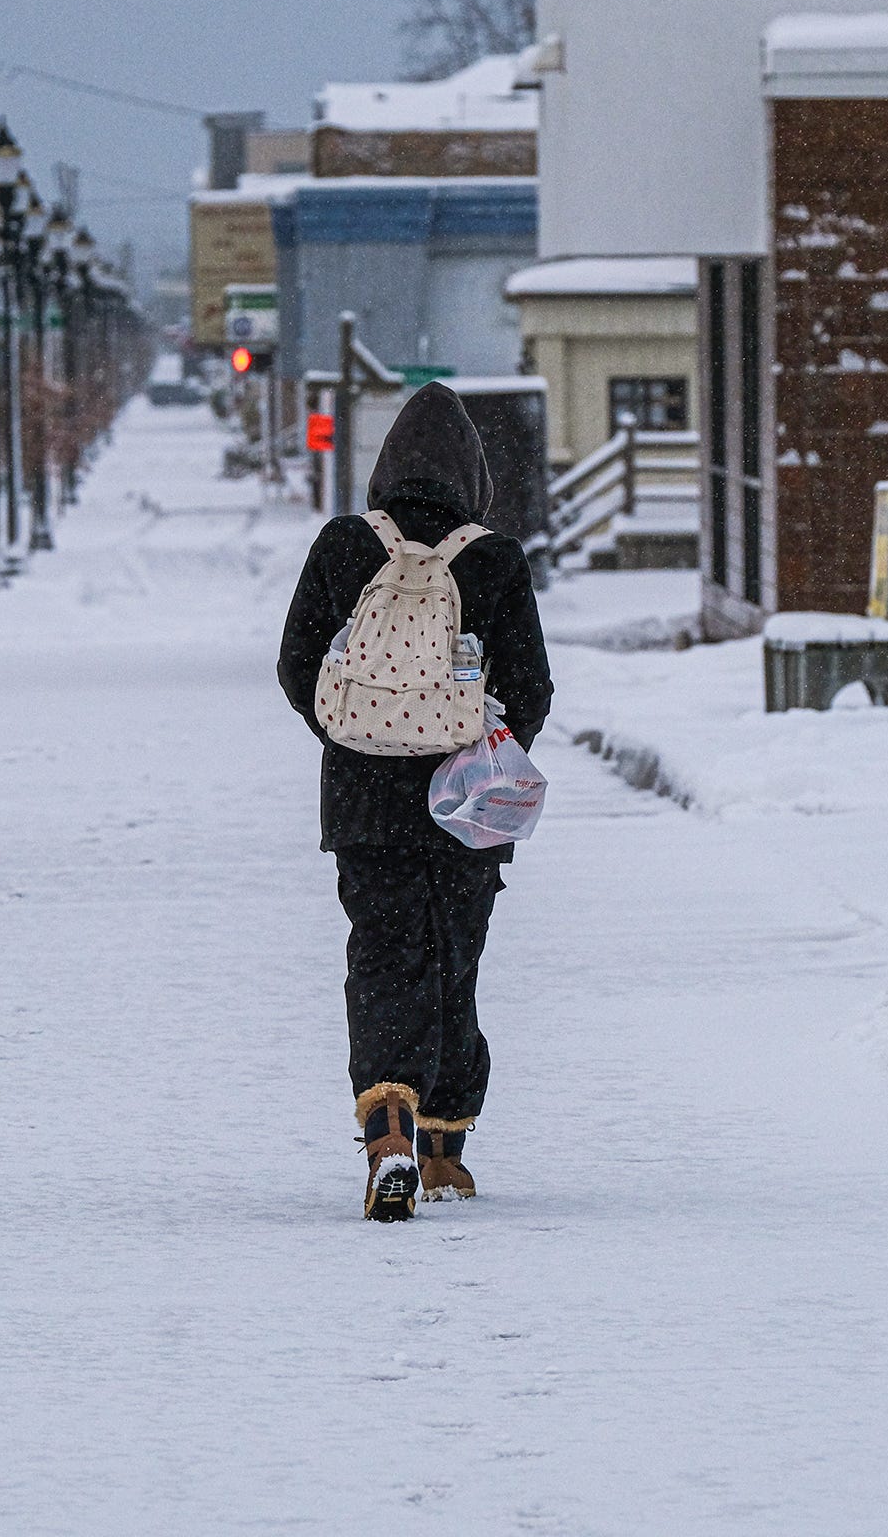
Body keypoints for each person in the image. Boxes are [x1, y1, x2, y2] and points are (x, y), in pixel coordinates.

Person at [278, 382, 554, 1221]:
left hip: (363, 807)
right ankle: (444, 1148)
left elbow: (298, 669)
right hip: (462, 811)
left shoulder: (341, 548)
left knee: (383, 954)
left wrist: (357, 740)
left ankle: (386, 1130)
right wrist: (483, 756)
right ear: (474, 474)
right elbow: (532, 689)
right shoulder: (493, 558)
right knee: (452, 961)